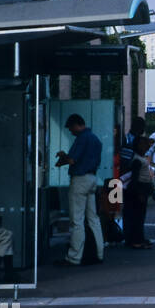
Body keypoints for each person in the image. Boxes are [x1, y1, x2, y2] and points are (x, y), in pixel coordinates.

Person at [54, 114, 104, 266]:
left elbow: (72, 160)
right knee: (93, 219)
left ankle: (74, 257)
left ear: (76, 125)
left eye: (71, 128)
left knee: (77, 220)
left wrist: (63, 155)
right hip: (92, 178)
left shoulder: (82, 138)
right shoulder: (95, 139)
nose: (71, 131)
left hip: (80, 179)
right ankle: (99, 253)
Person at [119, 135, 155, 249]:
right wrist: (139, 193)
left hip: (137, 189)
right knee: (137, 217)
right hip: (138, 190)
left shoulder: (139, 158)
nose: (145, 147)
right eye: (143, 145)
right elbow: (135, 178)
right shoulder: (138, 160)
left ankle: (136, 238)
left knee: (136, 216)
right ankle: (136, 240)